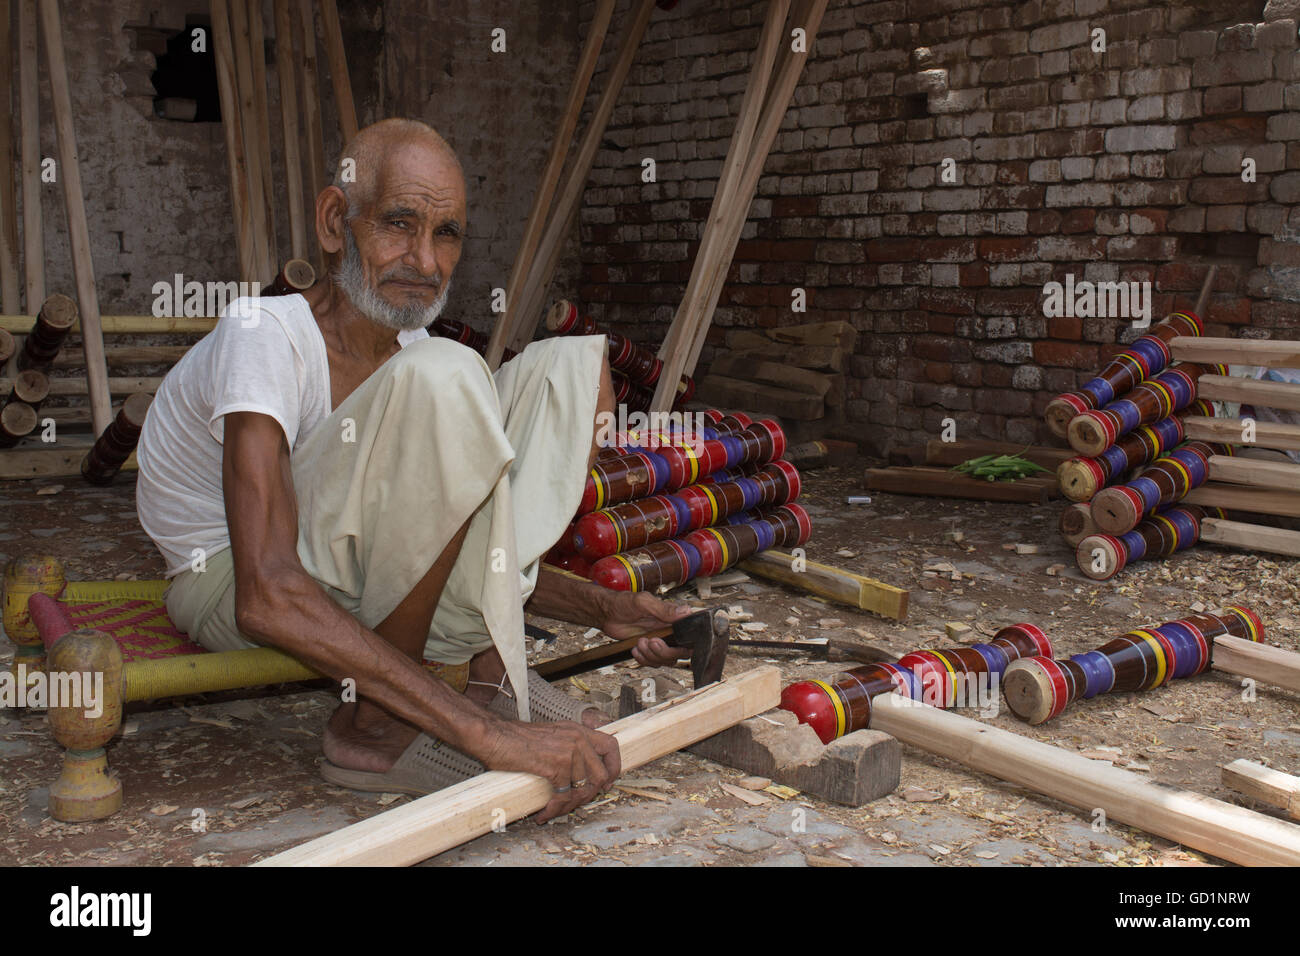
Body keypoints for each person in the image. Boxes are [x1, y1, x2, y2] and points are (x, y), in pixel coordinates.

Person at [136, 118, 691, 821]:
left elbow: (445, 533)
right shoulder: (265, 335)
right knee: (449, 376)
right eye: (399, 224)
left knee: (568, 369)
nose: (424, 262)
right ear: (337, 222)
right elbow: (266, 594)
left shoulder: (411, 348)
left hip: (336, 570)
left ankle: (490, 677)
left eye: (446, 234)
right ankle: (377, 724)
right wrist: (485, 742)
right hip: (224, 581)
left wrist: (601, 607)